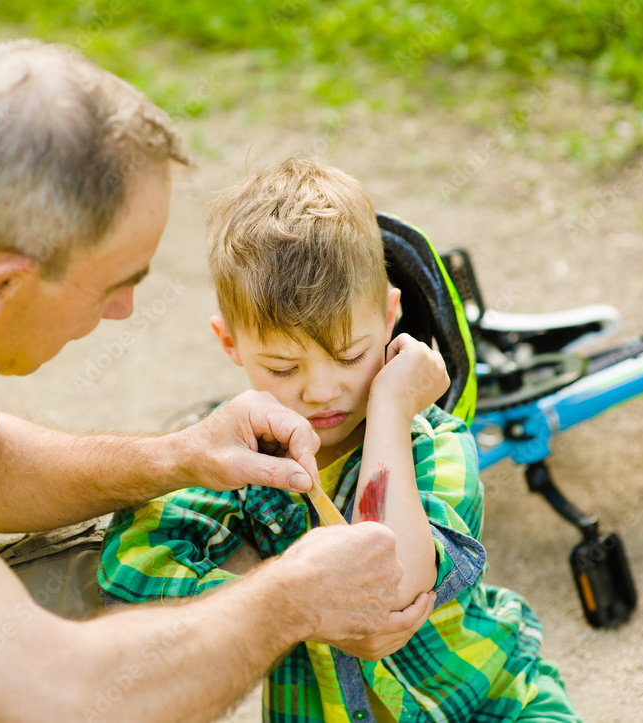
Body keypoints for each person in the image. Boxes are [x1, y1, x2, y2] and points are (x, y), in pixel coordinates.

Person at [0, 43, 437, 722]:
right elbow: (69, 698)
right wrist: (291, 600)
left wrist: (180, 455)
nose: (125, 310)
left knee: (202, 561)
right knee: (197, 635)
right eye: (114, 284)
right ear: (2, 284)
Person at [99, 158, 584, 722]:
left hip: (491, 703)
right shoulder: (236, 460)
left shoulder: (435, 441)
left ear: (389, 316)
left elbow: (395, 584)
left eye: (351, 355)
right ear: (229, 343)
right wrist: (286, 600)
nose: (322, 391)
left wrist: (388, 410)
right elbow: (129, 575)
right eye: (282, 367)